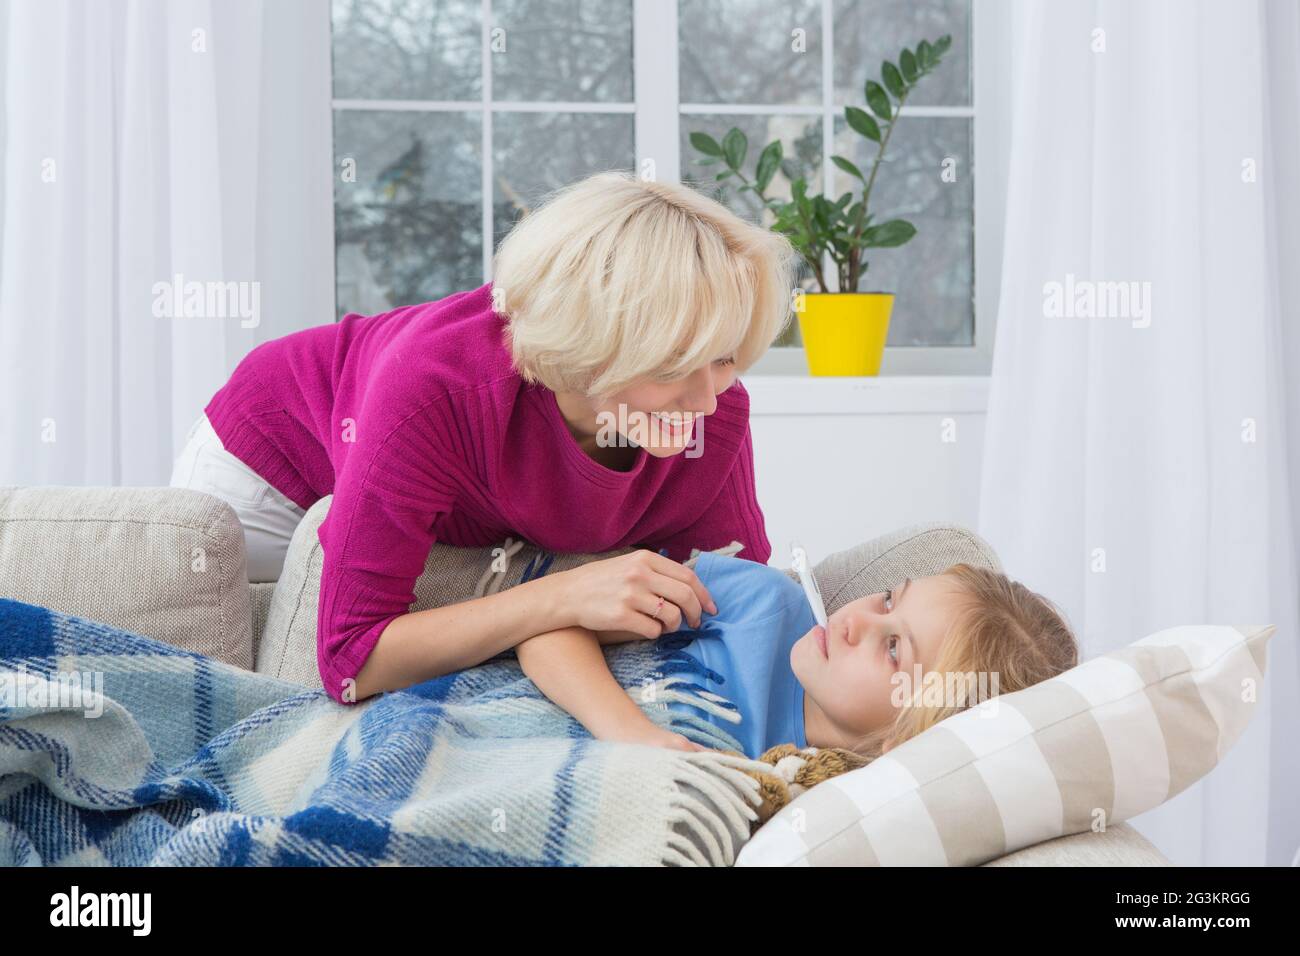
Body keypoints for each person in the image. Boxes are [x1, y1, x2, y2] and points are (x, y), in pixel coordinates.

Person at [169, 169, 800, 705]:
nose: (707, 399)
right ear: (586, 351)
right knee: (235, 689)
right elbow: (350, 661)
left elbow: (740, 604)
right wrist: (562, 596)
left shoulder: (709, 415)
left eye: (724, 359)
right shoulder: (434, 387)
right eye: (670, 368)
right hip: (270, 469)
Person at [514, 552, 1080, 759]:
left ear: (911, 733)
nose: (857, 618)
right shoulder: (764, 604)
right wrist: (631, 733)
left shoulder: (806, 794)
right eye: (887, 598)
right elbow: (547, 624)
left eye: (892, 647)